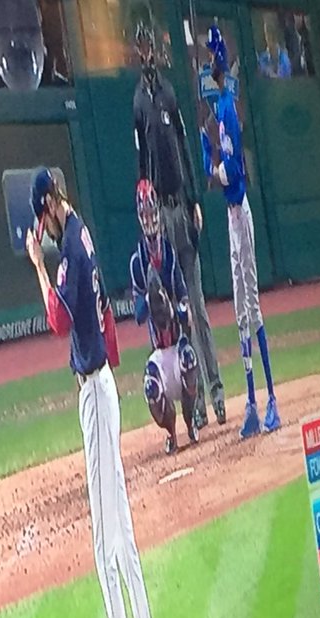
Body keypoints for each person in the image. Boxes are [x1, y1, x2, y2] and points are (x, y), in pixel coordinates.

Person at [24, 167, 163, 618]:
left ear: (48, 207)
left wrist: (37, 265)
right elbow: (101, 322)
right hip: (103, 387)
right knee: (123, 543)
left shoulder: (69, 251)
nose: (42, 226)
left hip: (95, 395)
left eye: (41, 216)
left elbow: (58, 320)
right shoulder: (83, 235)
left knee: (106, 549)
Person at [132, 23, 225, 429]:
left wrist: (194, 200)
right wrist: (148, 222)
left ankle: (216, 390)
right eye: (142, 47)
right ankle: (194, 402)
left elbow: (185, 147)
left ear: (158, 49)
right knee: (178, 313)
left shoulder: (169, 92)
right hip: (160, 216)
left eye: (150, 45)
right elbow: (141, 165)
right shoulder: (138, 101)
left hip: (181, 207)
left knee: (198, 307)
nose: (147, 52)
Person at [201, 25, 280, 439]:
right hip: (231, 218)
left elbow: (231, 171)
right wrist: (207, 153)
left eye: (210, 60)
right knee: (238, 309)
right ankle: (250, 401)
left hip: (241, 214)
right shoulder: (220, 112)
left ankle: (271, 399)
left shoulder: (228, 110)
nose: (207, 68)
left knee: (252, 305)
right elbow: (215, 169)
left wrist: (213, 165)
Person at [131, 179, 200, 455]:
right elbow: (138, 315)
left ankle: (190, 421)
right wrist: (151, 301)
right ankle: (171, 433)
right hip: (159, 352)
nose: (150, 220)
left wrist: (176, 310)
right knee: (150, 386)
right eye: (145, 215)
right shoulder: (137, 261)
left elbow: (184, 299)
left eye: (152, 213)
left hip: (176, 342)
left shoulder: (170, 253)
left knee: (189, 359)